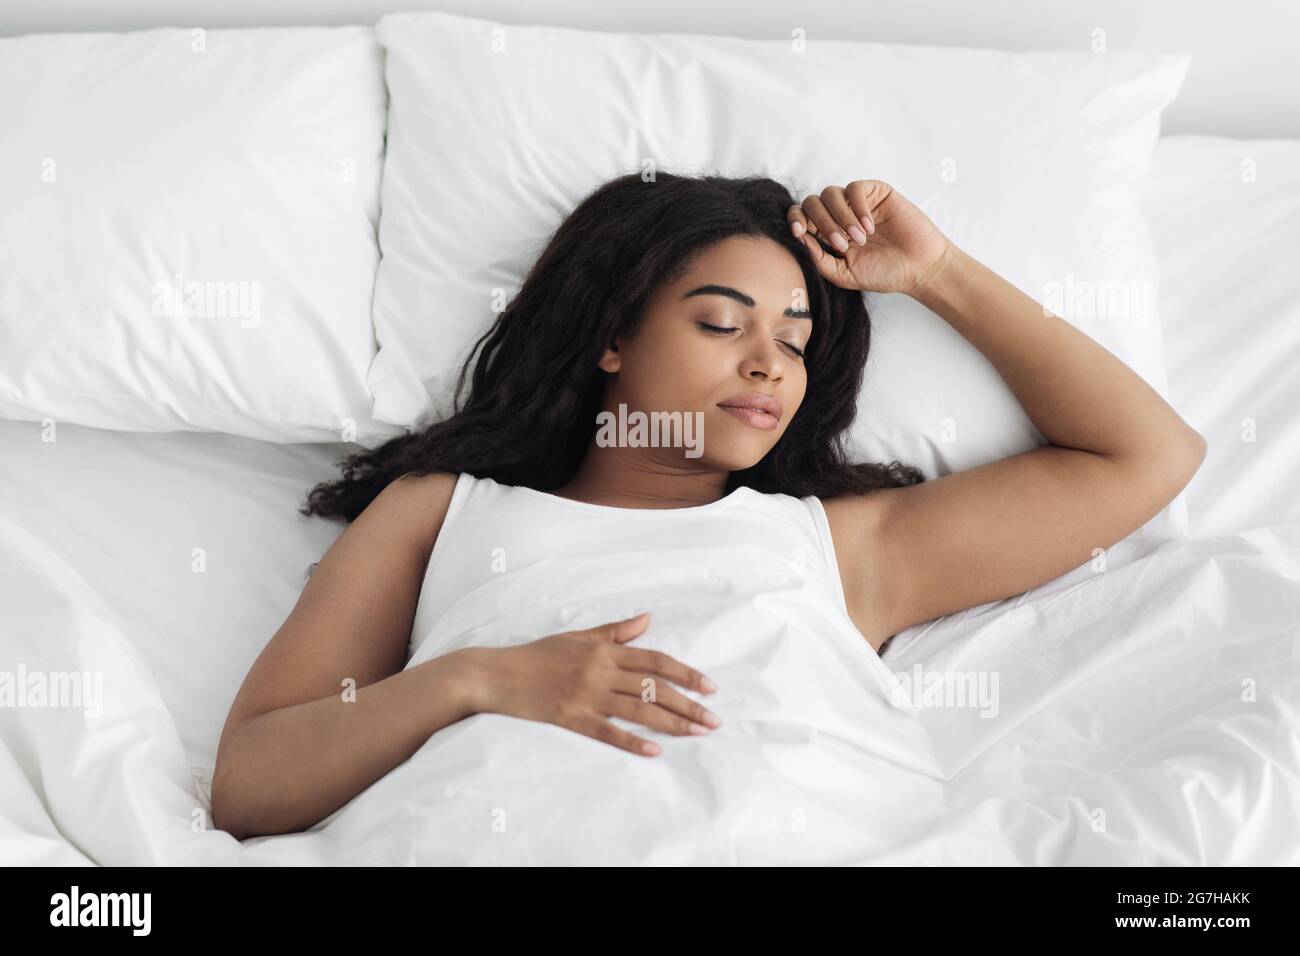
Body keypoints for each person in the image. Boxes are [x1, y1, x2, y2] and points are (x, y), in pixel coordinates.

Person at [210, 174, 1205, 839]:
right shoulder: (446, 509)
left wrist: (939, 274)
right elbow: (251, 779)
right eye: (721, 322)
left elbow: (1147, 454)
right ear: (612, 336)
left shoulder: (832, 542)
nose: (768, 361)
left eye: (796, 338)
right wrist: (477, 679)